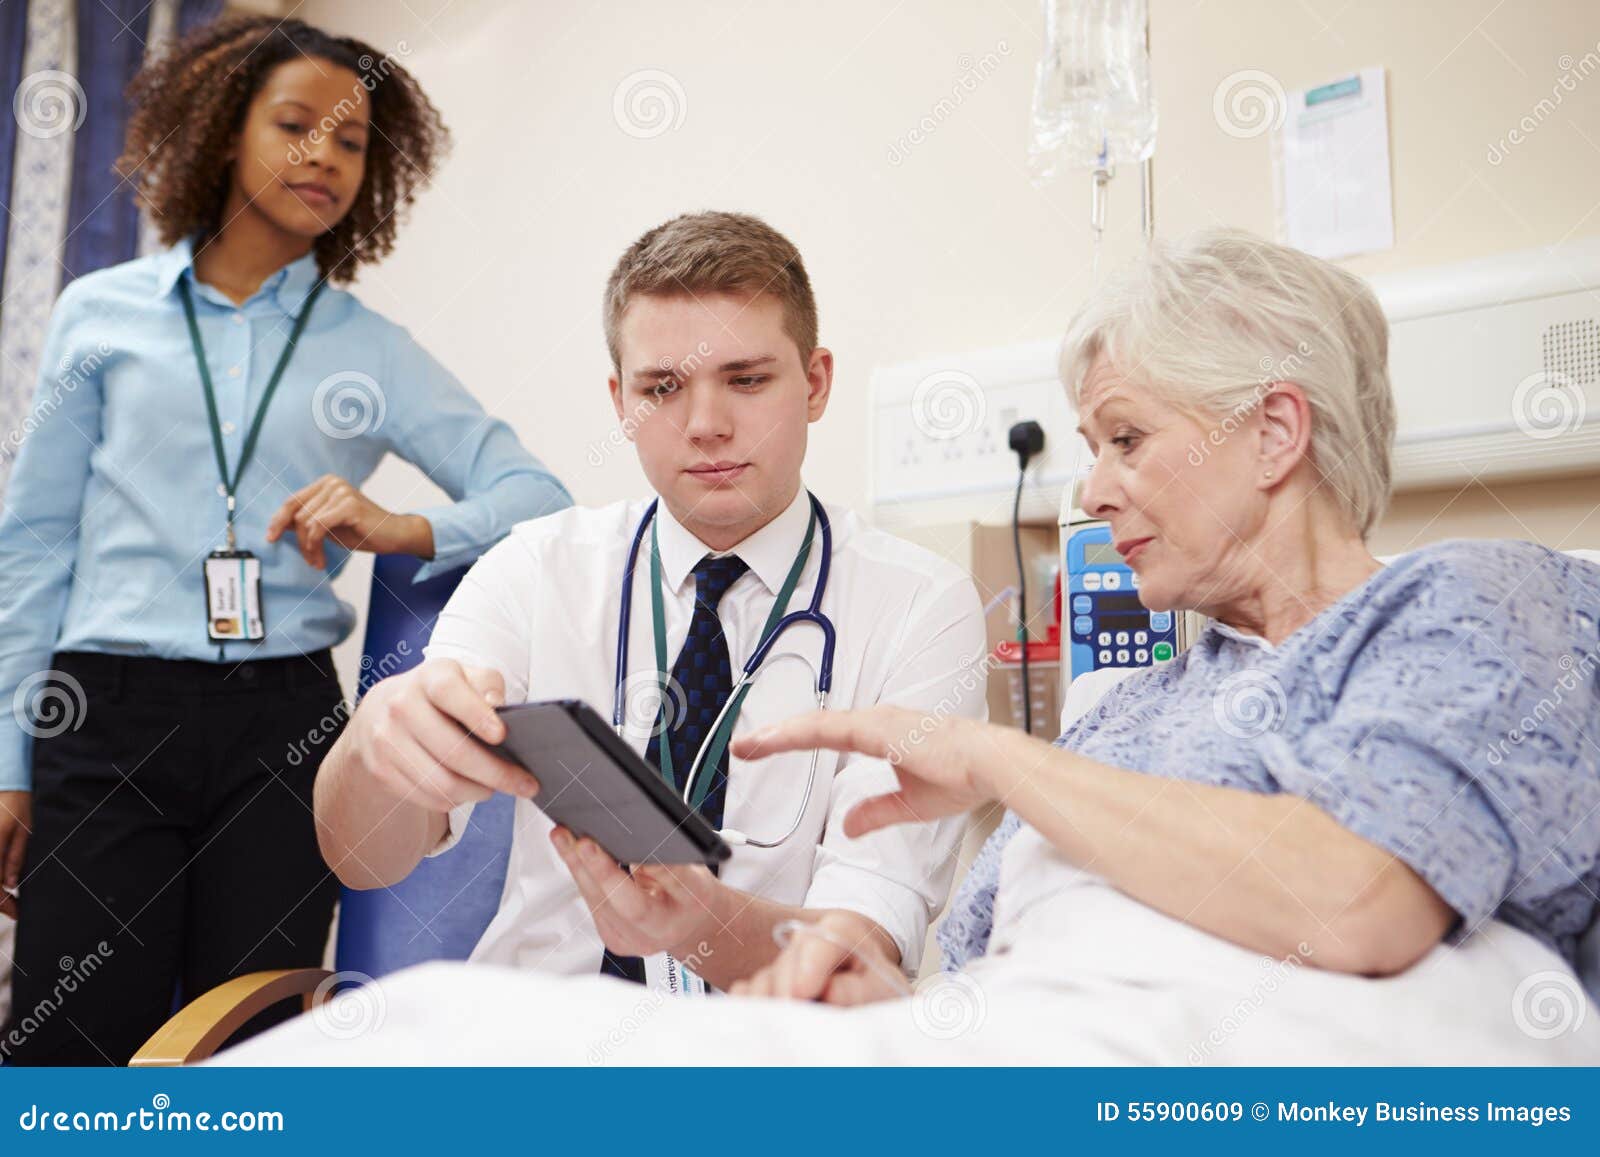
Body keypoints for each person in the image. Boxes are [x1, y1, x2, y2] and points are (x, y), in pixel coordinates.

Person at [213, 229, 1600, 1066]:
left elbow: (1357, 906)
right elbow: (963, 1001)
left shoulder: (1475, 601)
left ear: (1278, 434)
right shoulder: (1132, 720)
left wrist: (991, 756)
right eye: (1088, 446)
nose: (1093, 489)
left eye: (1125, 439)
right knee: (418, 1035)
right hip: (940, 1060)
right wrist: (886, 1000)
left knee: (446, 1046)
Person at [0, 17, 570, 1066]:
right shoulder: (101, 314)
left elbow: (535, 491)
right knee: (65, 1044)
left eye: (351, 143)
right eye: (296, 126)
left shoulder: (372, 349)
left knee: (253, 1045)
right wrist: (8, 758)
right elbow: (32, 543)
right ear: (225, 134)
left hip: (284, 733)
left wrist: (405, 524)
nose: (324, 158)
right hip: (103, 713)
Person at [314, 211, 988, 994]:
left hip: (776, 1061)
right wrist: (371, 747)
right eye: (662, 388)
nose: (705, 425)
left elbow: (861, 954)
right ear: (620, 401)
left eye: (746, 379)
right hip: (543, 1049)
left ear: (815, 382)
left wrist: (695, 925)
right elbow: (364, 857)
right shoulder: (536, 567)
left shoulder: (923, 605)